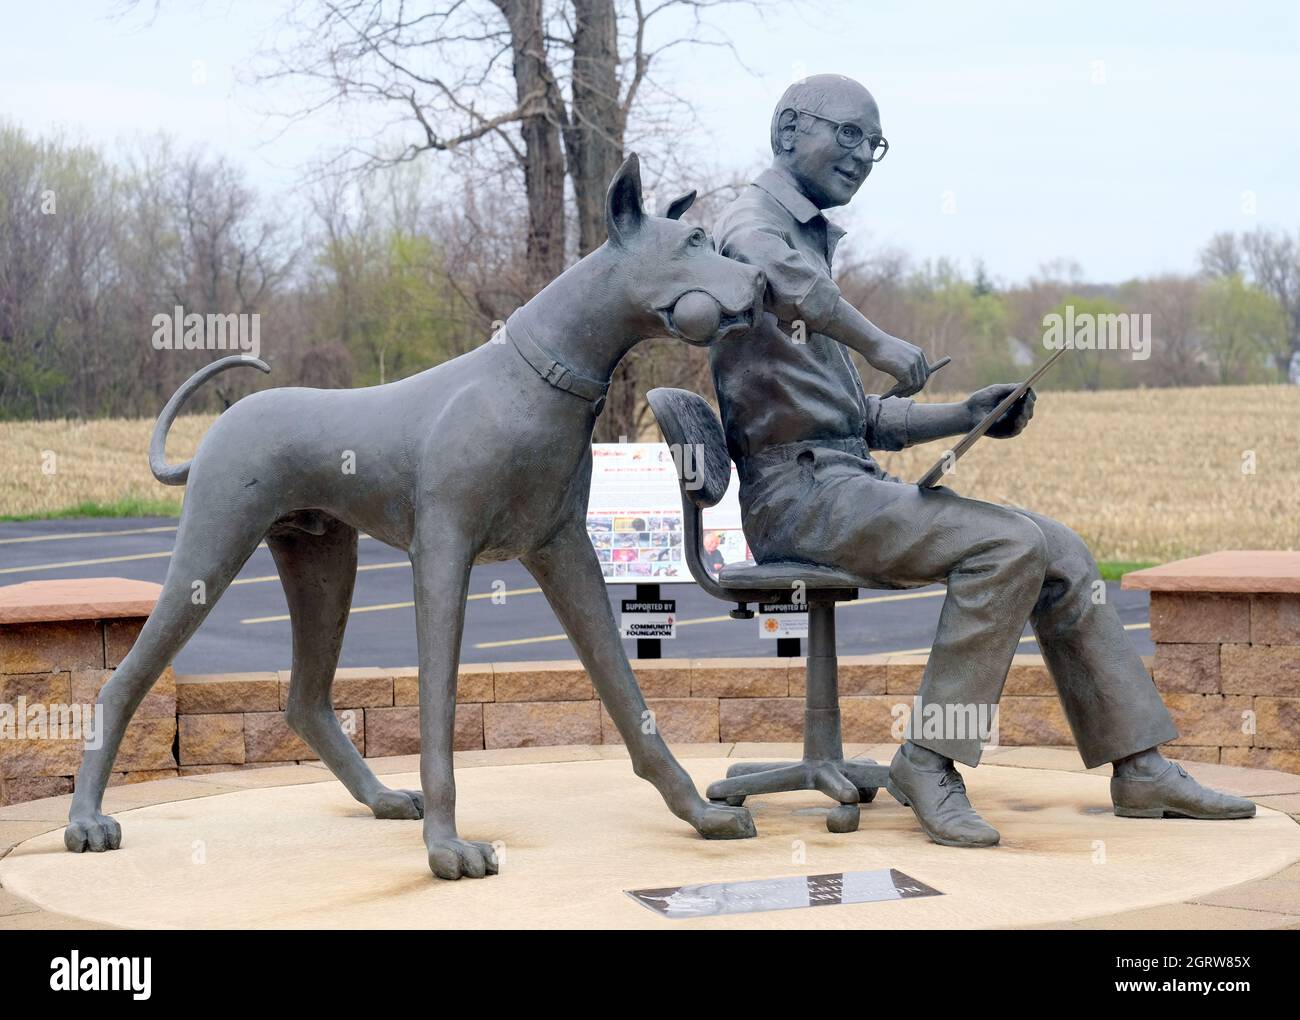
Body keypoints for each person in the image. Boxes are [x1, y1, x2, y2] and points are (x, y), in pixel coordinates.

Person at [708, 73, 1253, 848]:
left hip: (840, 479)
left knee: (1059, 548)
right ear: (789, 131)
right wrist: (879, 341)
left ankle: (1141, 768)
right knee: (1005, 544)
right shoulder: (750, 223)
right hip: (794, 498)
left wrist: (968, 416)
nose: (864, 156)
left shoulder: (808, 243)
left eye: (876, 144)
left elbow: (859, 420)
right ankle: (929, 759)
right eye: (850, 135)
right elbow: (788, 284)